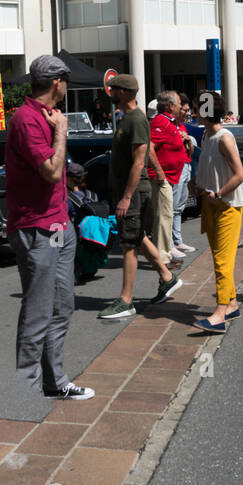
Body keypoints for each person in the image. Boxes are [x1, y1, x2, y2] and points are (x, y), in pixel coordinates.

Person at [3, 56, 92, 400]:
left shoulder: (45, 117)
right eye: (66, 81)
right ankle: (25, 392)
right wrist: (62, 132)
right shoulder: (27, 120)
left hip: (57, 224)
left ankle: (54, 381)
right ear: (57, 83)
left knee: (62, 304)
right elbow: (53, 172)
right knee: (39, 310)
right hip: (36, 228)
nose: (67, 87)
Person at [97, 74, 182, 321]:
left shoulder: (136, 120)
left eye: (112, 89)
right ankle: (167, 278)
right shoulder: (127, 118)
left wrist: (126, 197)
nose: (109, 92)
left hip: (133, 193)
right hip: (128, 191)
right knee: (138, 237)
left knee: (128, 245)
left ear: (123, 92)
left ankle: (125, 300)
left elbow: (138, 162)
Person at [189, 96, 243, 332]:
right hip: (211, 205)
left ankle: (220, 314)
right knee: (219, 259)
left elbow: (240, 174)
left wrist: (219, 193)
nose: (193, 111)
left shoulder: (224, 137)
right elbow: (211, 167)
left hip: (227, 207)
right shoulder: (207, 135)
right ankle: (231, 304)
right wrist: (197, 182)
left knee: (223, 263)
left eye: (195, 108)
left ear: (205, 110)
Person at [151, 92, 192, 264]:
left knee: (167, 215)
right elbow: (150, 147)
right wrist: (159, 172)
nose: (180, 106)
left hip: (171, 177)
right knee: (165, 216)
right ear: (171, 106)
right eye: (178, 104)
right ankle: (164, 258)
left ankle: (163, 254)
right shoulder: (161, 121)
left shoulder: (171, 123)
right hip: (163, 178)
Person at [169, 95, 197, 256]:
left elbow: (190, 152)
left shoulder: (183, 127)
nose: (188, 113)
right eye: (185, 109)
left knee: (180, 206)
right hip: (177, 168)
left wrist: (187, 141)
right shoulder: (171, 125)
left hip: (185, 166)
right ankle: (171, 243)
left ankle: (178, 241)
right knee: (172, 207)